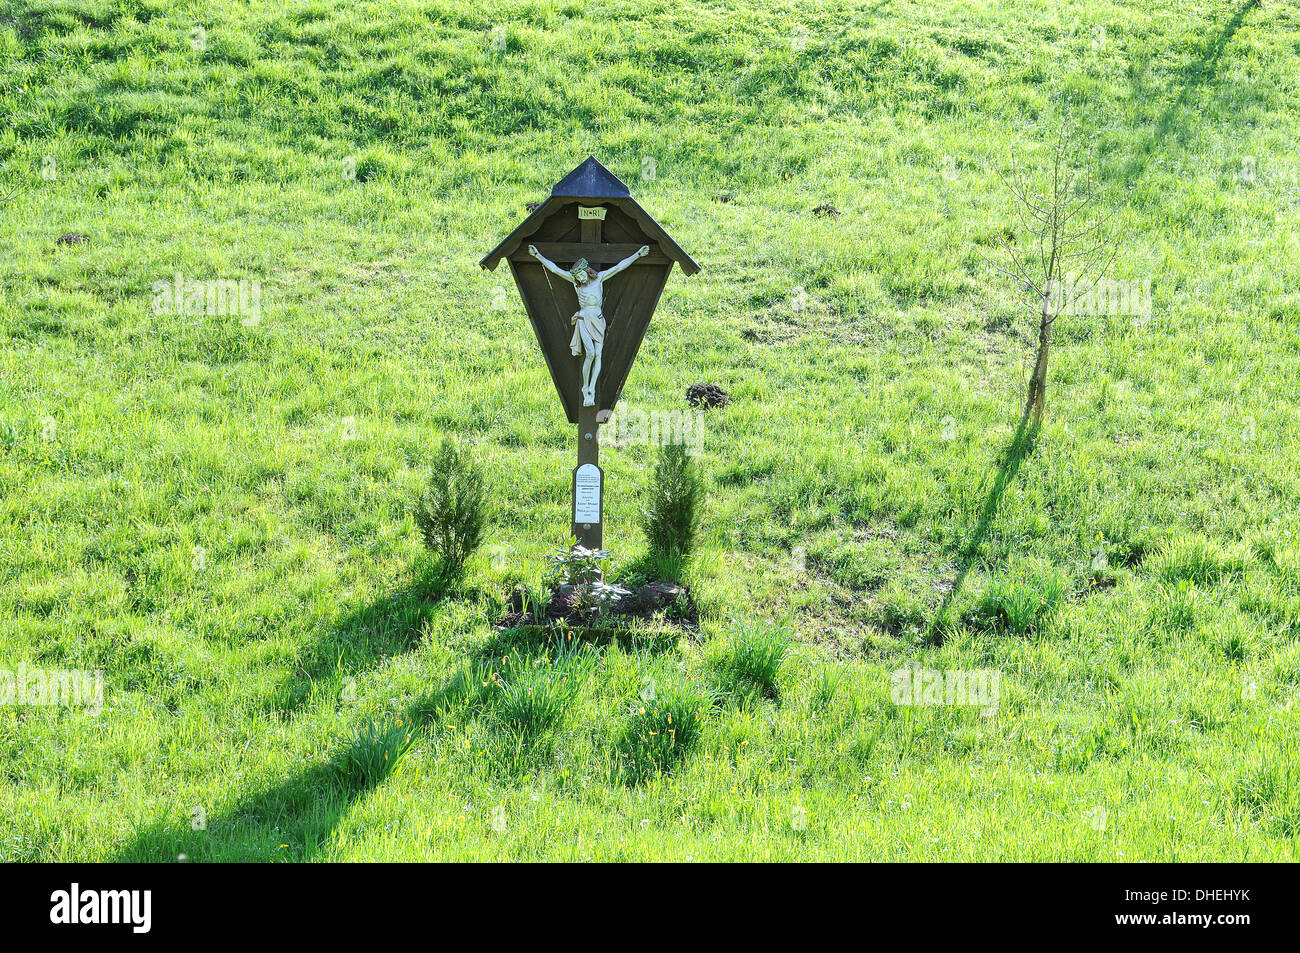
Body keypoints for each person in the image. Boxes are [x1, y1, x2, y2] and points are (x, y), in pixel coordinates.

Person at [528, 243, 649, 406]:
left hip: (598, 319)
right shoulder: (575, 283)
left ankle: (591, 388)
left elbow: (619, 267)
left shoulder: (599, 278)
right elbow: (555, 270)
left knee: (598, 354)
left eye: (582, 275)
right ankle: (585, 387)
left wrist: (638, 255)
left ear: (587, 271)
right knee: (590, 353)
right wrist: (537, 255)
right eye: (577, 277)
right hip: (584, 319)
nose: (580, 279)